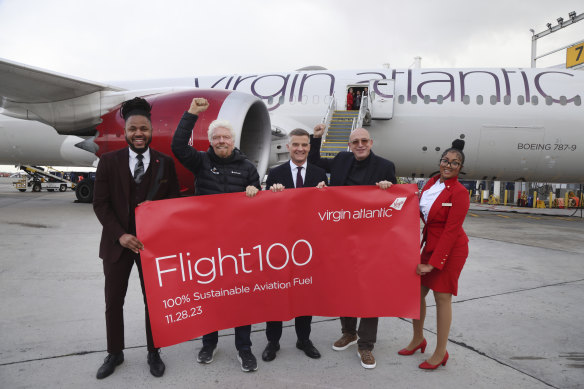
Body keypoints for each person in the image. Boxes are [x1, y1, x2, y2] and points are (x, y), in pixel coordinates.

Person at [93, 97, 181, 379]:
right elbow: (101, 204)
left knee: (153, 302)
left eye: (144, 128)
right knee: (113, 302)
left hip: (151, 248)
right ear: (125, 132)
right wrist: (120, 235)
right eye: (133, 129)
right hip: (117, 246)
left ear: (151, 129)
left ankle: (154, 351)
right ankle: (114, 352)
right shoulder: (108, 162)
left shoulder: (165, 163)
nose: (139, 134)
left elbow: (172, 206)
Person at [171, 97, 261, 372]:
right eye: (217, 137)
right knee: (209, 297)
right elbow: (177, 147)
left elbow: (259, 209)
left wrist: (255, 194)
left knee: (240, 298)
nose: (222, 140)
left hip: (237, 247)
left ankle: (244, 349)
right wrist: (191, 115)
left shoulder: (247, 168)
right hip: (207, 245)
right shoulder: (200, 162)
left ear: (233, 140)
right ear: (211, 141)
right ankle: (208, 343)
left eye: (226, 137)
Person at [308, 123, 396, 369]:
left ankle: (366, 345)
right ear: (349, 144)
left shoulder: (385, 167)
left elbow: (396, 203)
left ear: (371, 143)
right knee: (344, 287)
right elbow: (314, 160)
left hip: (371, 241)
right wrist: (316, 137)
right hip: (341, 238)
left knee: (369, 291)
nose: (360, 145)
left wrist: (389, 190)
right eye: (355, 141)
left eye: (364, 141)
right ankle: (349, 331)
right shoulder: (341, 160)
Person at [397, 139, 469, 370]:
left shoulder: (460, 193)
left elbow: (450, 232)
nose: (448, 165)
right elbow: (417, 210)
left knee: (442, 297)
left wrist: (434, 264)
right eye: (445, 161)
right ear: (440, 162)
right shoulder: (430, 183)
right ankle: (418, 338)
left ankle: (441, 352)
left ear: (460, 167)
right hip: (429, 247)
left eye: (454, 163)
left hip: (451, 250)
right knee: (415, 294)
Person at [260, 128, 328, 362]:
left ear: (310, 147)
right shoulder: (275, 173)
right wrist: (273, 193)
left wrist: (324, 195)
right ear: (288, 147)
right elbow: (268, 211)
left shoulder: (320, 174)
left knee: (305, 293)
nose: (300, 149)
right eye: (296, 144)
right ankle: (273, 341)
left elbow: (324, 211)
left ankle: (303, 339)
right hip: (281, 246)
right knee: (277, 294)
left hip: (307, 247)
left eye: (305, 145)